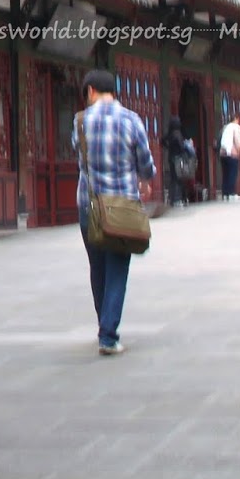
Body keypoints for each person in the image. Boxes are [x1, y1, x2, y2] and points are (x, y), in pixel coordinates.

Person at [72, 68, 156, 357]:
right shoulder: (132, 120)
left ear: (91, 91)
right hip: (122, 207)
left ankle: (103, 324)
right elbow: (145, 160)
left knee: (98, 267)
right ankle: (109, 334)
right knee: (118, 266)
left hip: (90, 205)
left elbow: (79, 154)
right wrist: (145, 178)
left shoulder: (80, 121)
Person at [163, 115, 194, 210]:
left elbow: (163, 141)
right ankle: (177, 199)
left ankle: (174, 200)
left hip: (171, 158)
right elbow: (181, 147)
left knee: (174, 179)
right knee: (178, 179)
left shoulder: (169, 133)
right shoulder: (177, 134)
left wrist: (168, 147)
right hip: (178, 159)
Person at [219, 114, 240, 201]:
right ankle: (231, 193)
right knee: (232, 173)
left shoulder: (224, 128)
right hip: (232, 153)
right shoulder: (236, 127)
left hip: (223, 153)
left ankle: (225, 193)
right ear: (236, 119)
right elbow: (238, 142)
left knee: (225, 173)